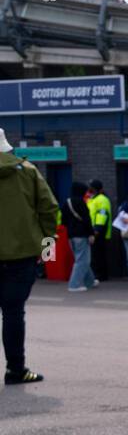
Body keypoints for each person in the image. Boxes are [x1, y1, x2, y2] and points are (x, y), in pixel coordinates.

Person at [0, 128, 59, 385]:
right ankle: (16, 370)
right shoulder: (28, 171)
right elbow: (49, 210)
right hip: (21, 256)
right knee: (13, 314)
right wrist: (48, 251)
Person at [63, 181, 98, 293]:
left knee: (80, 259)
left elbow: (63, 220)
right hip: (82, 235)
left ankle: (90, 281)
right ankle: (74, 285)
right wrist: (91, 233)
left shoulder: (66, 202)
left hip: (70, 235)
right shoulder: (81, 203)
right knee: (82, 260)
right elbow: (87, 220)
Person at [86, 179, 112, 280]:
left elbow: (102, 214)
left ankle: (100, 275)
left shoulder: (102, 199)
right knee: (96, 255)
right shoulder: (93, 199)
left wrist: (97, 230)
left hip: (99, 232)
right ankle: (98, 274)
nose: (89, 190)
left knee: (98, 255)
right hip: (94, 230)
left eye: (91, 188)